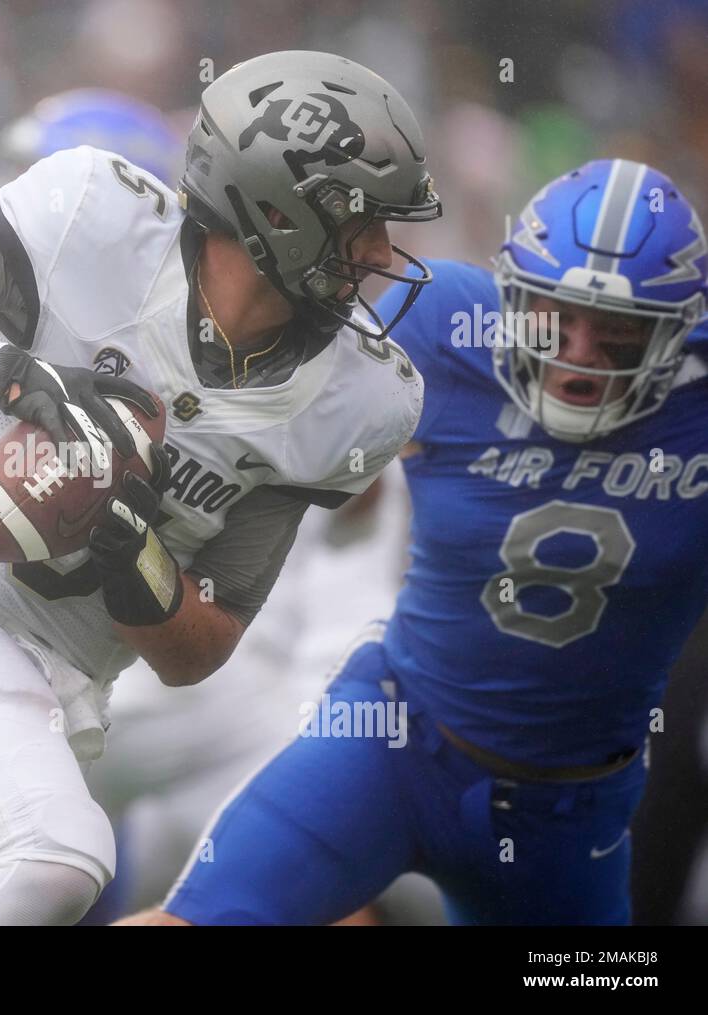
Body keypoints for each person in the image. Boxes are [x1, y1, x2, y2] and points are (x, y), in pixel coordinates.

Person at [0, 49, 441, 926]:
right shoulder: (97, 220)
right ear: (280, 211)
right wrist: (1, 369)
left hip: (62, 691)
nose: (383, 253)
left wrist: (135, 558)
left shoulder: (355, 399)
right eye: (362, 223)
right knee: (57, 857)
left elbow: (199, 648)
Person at [131, 158, 708, 925]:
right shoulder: (443, 325)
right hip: (394, 740)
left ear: (677, 334)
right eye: (551, 317)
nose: (576, 352)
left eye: (617, 333)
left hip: (567, 812)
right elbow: (280, 412)